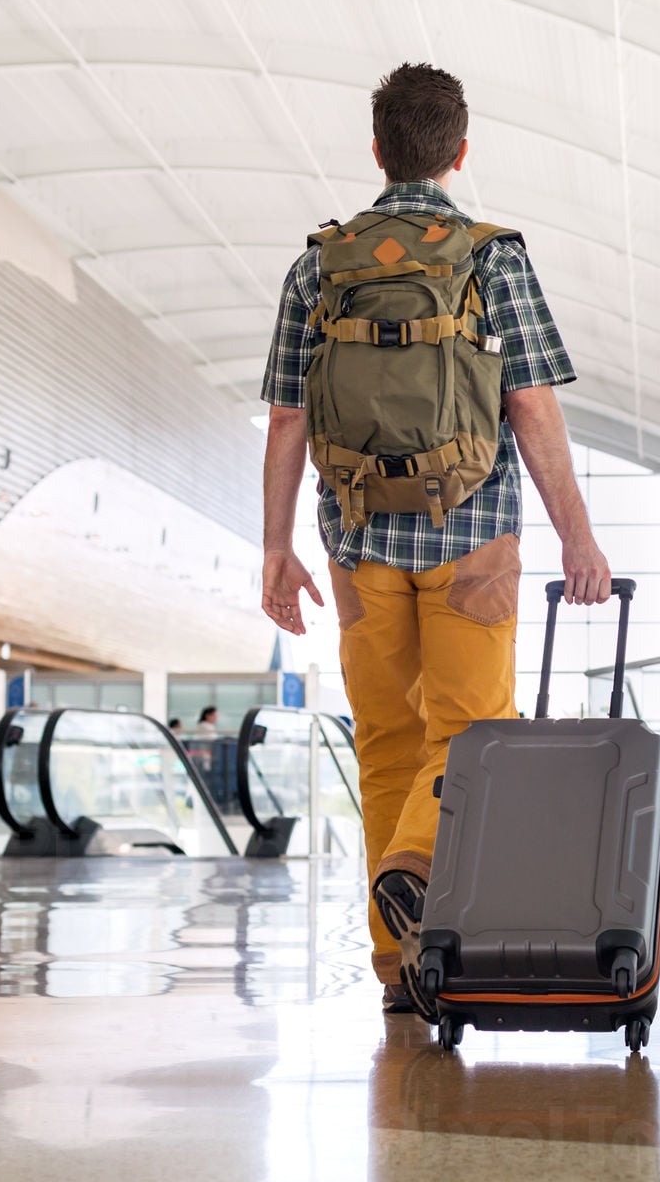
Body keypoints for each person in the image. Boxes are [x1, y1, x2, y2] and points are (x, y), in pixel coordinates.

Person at [260, 62, 612, 1022]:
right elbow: (530, 406)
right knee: (466, 733)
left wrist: (275, 550)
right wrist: (580, 539)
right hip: (475, 541)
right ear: (459, 152)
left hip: (357, 537)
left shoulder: (317, 267)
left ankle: (396, 969)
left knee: (384, 740)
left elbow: (289, 419)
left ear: (377, 151)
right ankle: (417, 867)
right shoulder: (491, 255)